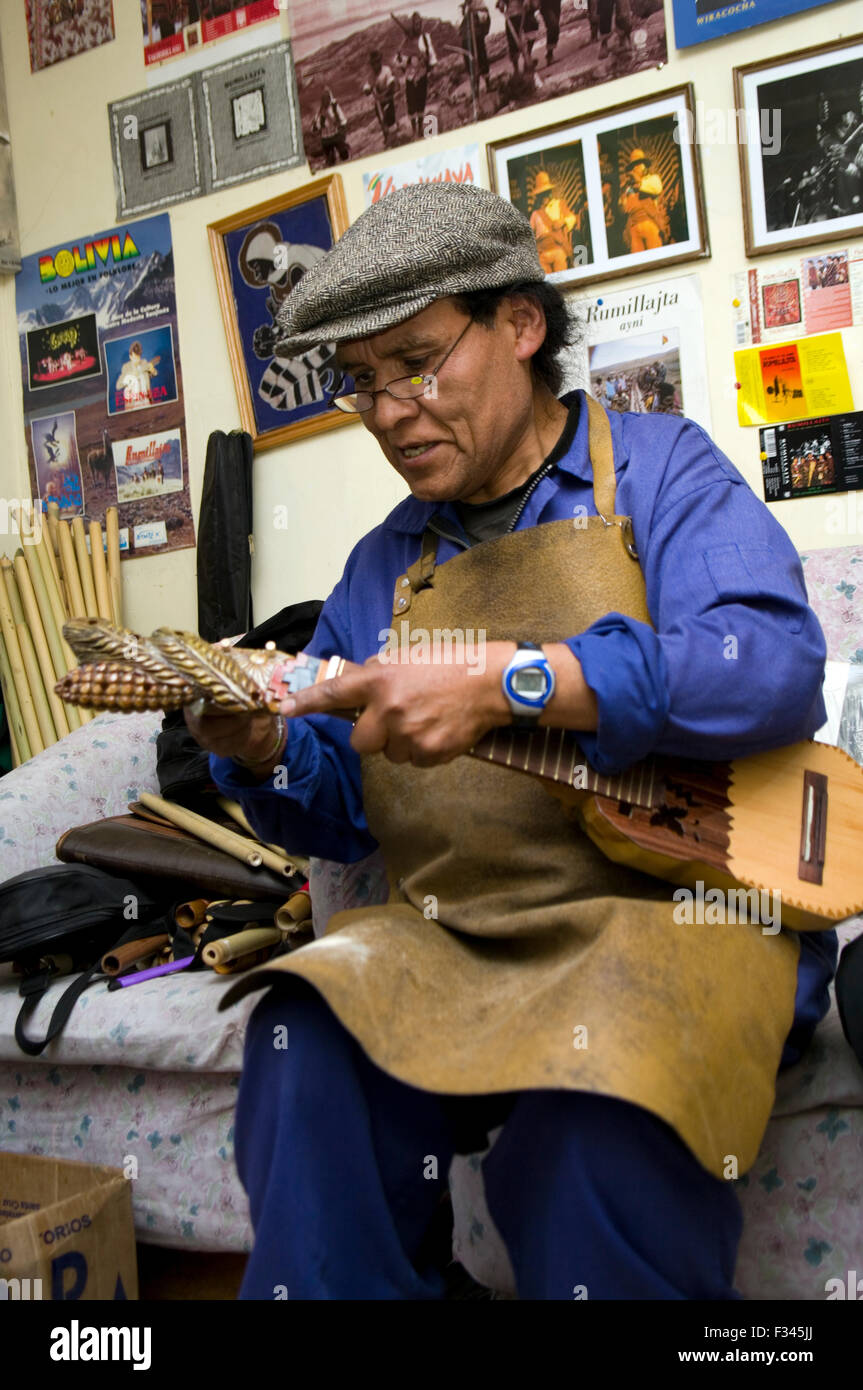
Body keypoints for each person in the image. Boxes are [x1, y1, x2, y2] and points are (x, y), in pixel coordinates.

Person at [187, 183, 834, 1301]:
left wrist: (511, 678)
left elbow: (771, 663)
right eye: (361, 380)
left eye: (418, 361)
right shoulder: (378, 568)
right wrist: (260, 750)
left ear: (520, 326)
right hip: (460, 939)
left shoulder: (658, 470)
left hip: (675, 926)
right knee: (305, 1035)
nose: (390, 410)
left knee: (593, 1120)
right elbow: (341, 803)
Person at [392, 11, 437, 139]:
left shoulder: (425, 38)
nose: (418, 25)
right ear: (412, 25)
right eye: (416, 23)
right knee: (411, 104)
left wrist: (431, 67)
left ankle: (421, 127)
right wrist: (408, 60)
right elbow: (396, 61)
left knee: (421, 101)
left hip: (422, 74)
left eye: (419, 23)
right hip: (410, 77)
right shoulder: (405, 42)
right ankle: (414, 130)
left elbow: (431, 54)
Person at [619, 148, 669, 251]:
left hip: (650, 224)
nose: (636, 168)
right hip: (633, 229)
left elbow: (657, 189)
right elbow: (623, 209)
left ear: (644, 166)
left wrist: (638, 181)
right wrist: (623, 193)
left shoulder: (652, 179)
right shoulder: (628, 187)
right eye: (633, 166)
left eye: (639, 164)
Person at [528, 170, 578, 273]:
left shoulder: (559, 204)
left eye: (545, 193)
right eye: (541, 194)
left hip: (558, 250)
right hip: (542, 254)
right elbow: (529, 234)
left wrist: (562, 221)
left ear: (550, 192)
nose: (544, 196)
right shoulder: (535, 213)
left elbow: (573, 218)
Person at [364, 49, 399, 146]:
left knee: (390, 118)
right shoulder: (371, 76)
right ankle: (387, 137)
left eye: (377, 62)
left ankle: (394, 139)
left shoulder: (386, 70)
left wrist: (385, 93)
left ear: (380, 61)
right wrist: (367, 90)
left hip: (387, 99)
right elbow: (367, 86)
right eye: (373, 63)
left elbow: (391, 83)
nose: (375, 65)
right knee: (382, 120)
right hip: (378, 102)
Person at [459, 0, 492, 99]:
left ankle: (488, 85)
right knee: (471, 64)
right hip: (466, 39)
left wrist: (475, 12)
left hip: (477, 36)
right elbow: (460, 24)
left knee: (482, 60)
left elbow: (485, 19)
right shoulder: (464, 7)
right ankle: (475, 91)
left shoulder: (480, 4)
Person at [115, 341, 160, 409]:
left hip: (146, 401)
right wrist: (130, 376)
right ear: (130, 356)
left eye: (138, 358)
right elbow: (118, 386)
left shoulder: (144, 362)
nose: (137, 360)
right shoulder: (126, 367)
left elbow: (154, 374)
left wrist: (152, 370)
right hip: (133, 404)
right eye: (134, 358)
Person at [311, 87, 349, 166]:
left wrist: (340, 127)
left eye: (327, 98)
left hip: (336, 135)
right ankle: (329, 156)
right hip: (326, 139)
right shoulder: (319, 111)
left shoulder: (334, 107)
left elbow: (343, 120)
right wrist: (316, 125)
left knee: (344, 156)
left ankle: (343, 149)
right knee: (330, 161)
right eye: (324, 99)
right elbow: (315, 128)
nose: (326, 101)